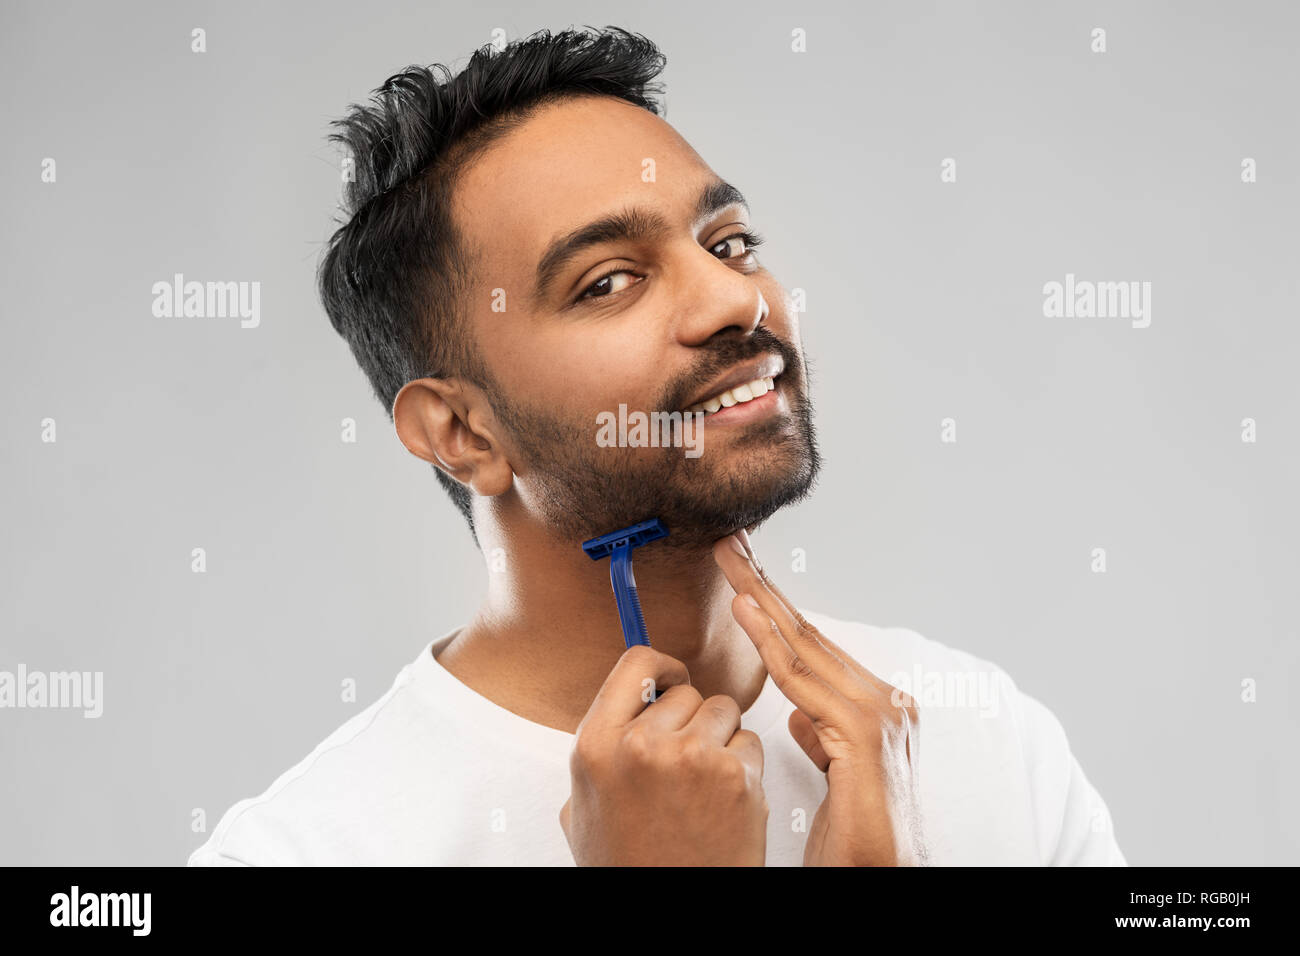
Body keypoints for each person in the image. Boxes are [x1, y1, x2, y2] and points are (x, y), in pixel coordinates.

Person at [189, 26, 1125, 866]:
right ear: (462, 432)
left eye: (730, 241)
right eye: (607, 283)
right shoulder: (306, 850)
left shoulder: (977, 738)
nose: (735, 300)